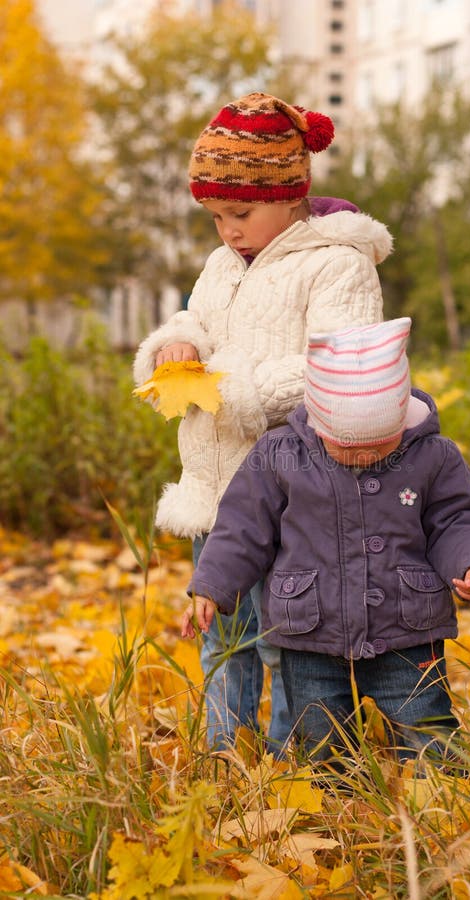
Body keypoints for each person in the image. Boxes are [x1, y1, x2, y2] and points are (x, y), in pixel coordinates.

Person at [133, 92, 393, 754]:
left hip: (294, 498)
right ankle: (225, 755)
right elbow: (200, 317)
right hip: (218, 487)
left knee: (292, 637)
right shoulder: (224, 264)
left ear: (291, 194)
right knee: (224, 632)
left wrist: (233, 390)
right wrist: (179, 342)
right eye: (216, 216)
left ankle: (296, 763)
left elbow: (339, 368)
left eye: (240, 212)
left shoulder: (337, 264)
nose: (227, 230)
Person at [181, 318, 470, 765]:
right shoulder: (279, 456)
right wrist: (212, 587)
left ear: (401, 417)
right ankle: (336, 801)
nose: (363, 457)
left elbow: (458, 519)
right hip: (309, 629)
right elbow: (242, 526)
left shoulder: (434, 457)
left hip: (406, 627)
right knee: (320, 734)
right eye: (346, 448)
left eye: (378, 445)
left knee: (425, 724)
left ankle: (443, 797)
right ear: (317, 421)